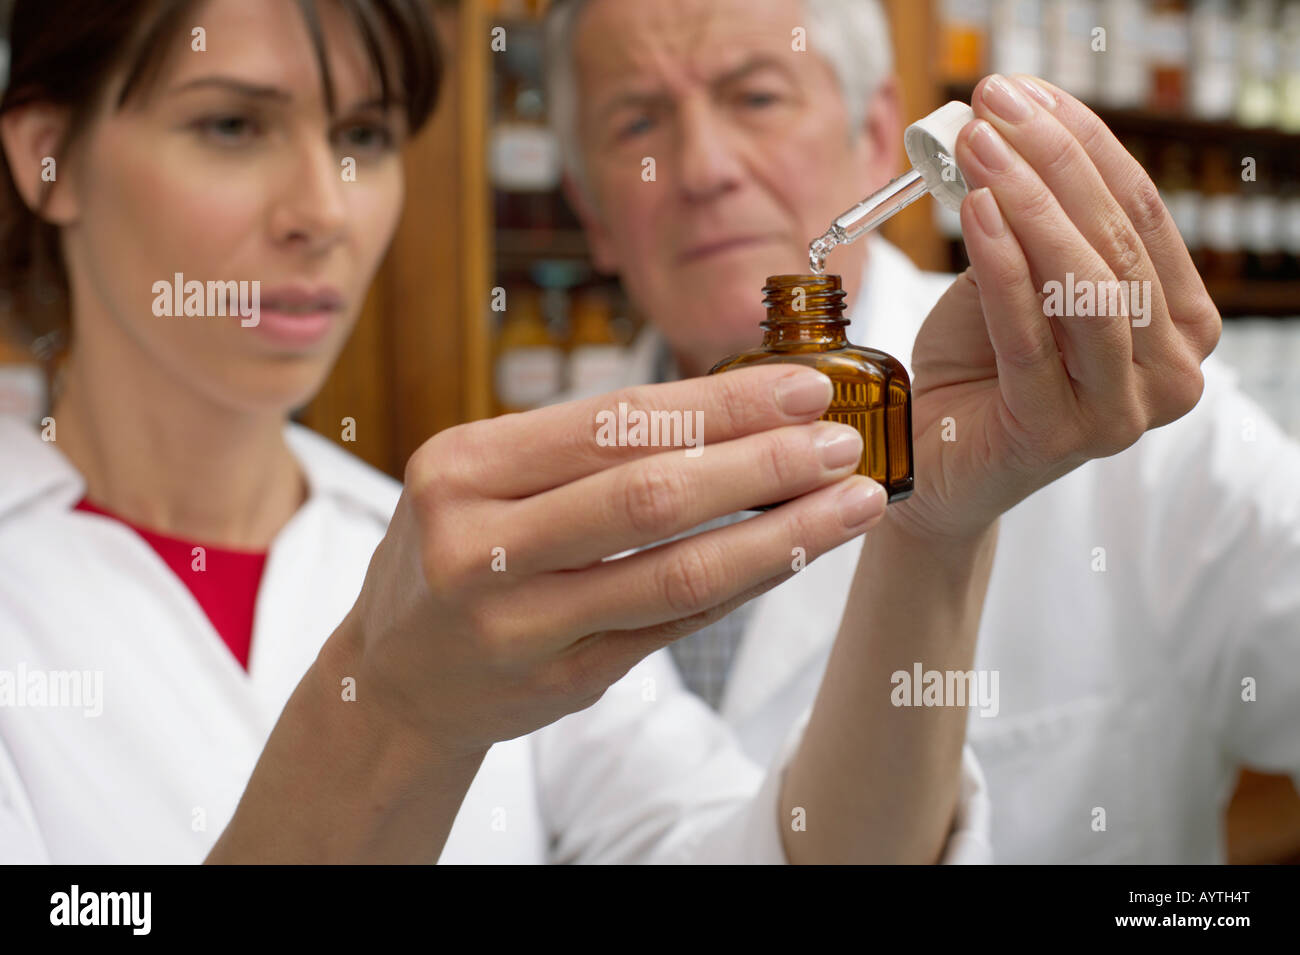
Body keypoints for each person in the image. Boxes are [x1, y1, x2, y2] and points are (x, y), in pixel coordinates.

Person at [0, 0, 1000, 864]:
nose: (322, 211)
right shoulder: (447, 599)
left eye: (363, 138)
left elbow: (766, 848)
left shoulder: (453, 563)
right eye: (230, 124)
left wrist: (933, 536)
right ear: (48, 158)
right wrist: (392, 718)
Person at [540, 0, 1291, 863]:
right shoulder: (543, 500)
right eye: (638, 121)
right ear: (591, 209)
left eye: (756, 98)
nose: (705, 168)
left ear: (873, 135)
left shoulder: (1120, 410)